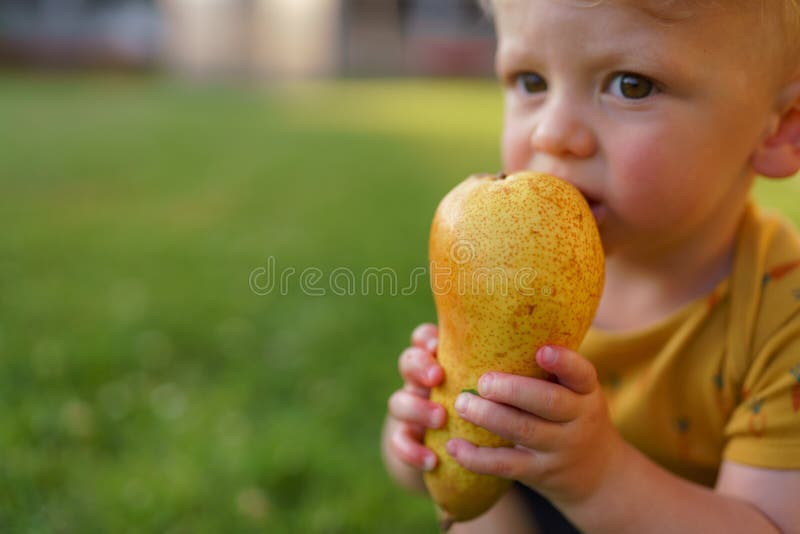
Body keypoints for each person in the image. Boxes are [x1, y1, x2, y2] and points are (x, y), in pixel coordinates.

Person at [381, 0, 800, 532]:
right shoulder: (518, 269)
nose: (551, 135)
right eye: (530, 80)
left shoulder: (784, 314)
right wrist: (423, 436)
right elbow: (453, 479)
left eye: (631, 85)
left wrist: (599, 478)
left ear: (783, 127)